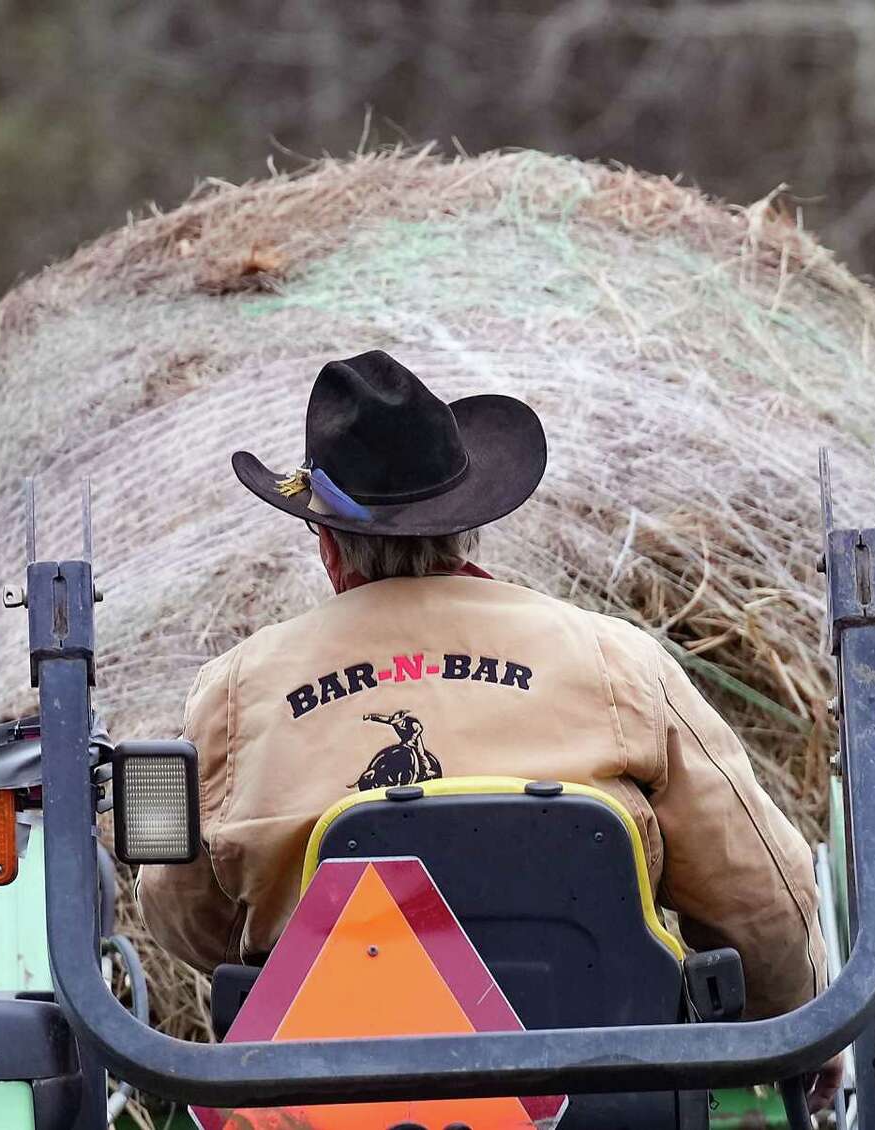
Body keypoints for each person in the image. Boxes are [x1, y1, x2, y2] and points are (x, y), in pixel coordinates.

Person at [136, 349, 830, 1029]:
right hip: (604, 1095)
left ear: (326, 544)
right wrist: (794, 1028)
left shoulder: (233, 693)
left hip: (343, 1101)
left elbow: (183, 912)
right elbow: (761, 898)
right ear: (469, 529)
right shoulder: (619, 664)